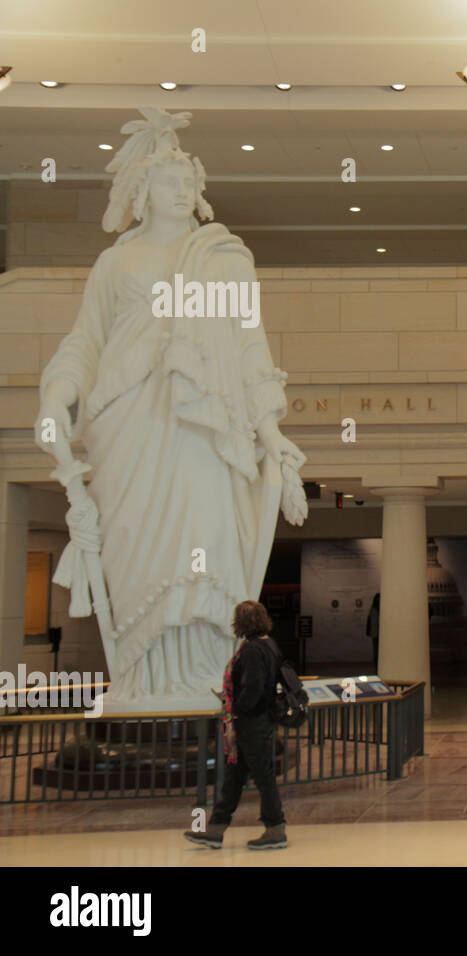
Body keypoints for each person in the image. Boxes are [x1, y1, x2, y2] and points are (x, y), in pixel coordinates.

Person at [34, 108, 307, 710]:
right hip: (127, 422)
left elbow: (247, 342)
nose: (183, 192)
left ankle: (210, 679)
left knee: (204, 533)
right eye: (170, 183)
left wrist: (270, 428)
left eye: (191, 183)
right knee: (134, 544)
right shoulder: (117, 264)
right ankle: (141, 685)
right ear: (142, 193)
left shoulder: (222, 258)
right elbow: (86, 340)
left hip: (203, 427)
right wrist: (58, 393)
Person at [185, 600, 288, 850]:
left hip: (251, 723)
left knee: (262, 777)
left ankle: (275, 829)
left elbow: (253, 688)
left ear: (241, 623)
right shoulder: (268, 645)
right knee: (234, 777)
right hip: (257, 721)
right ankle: (216, 829)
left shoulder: (252, 650)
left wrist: (237, 709)